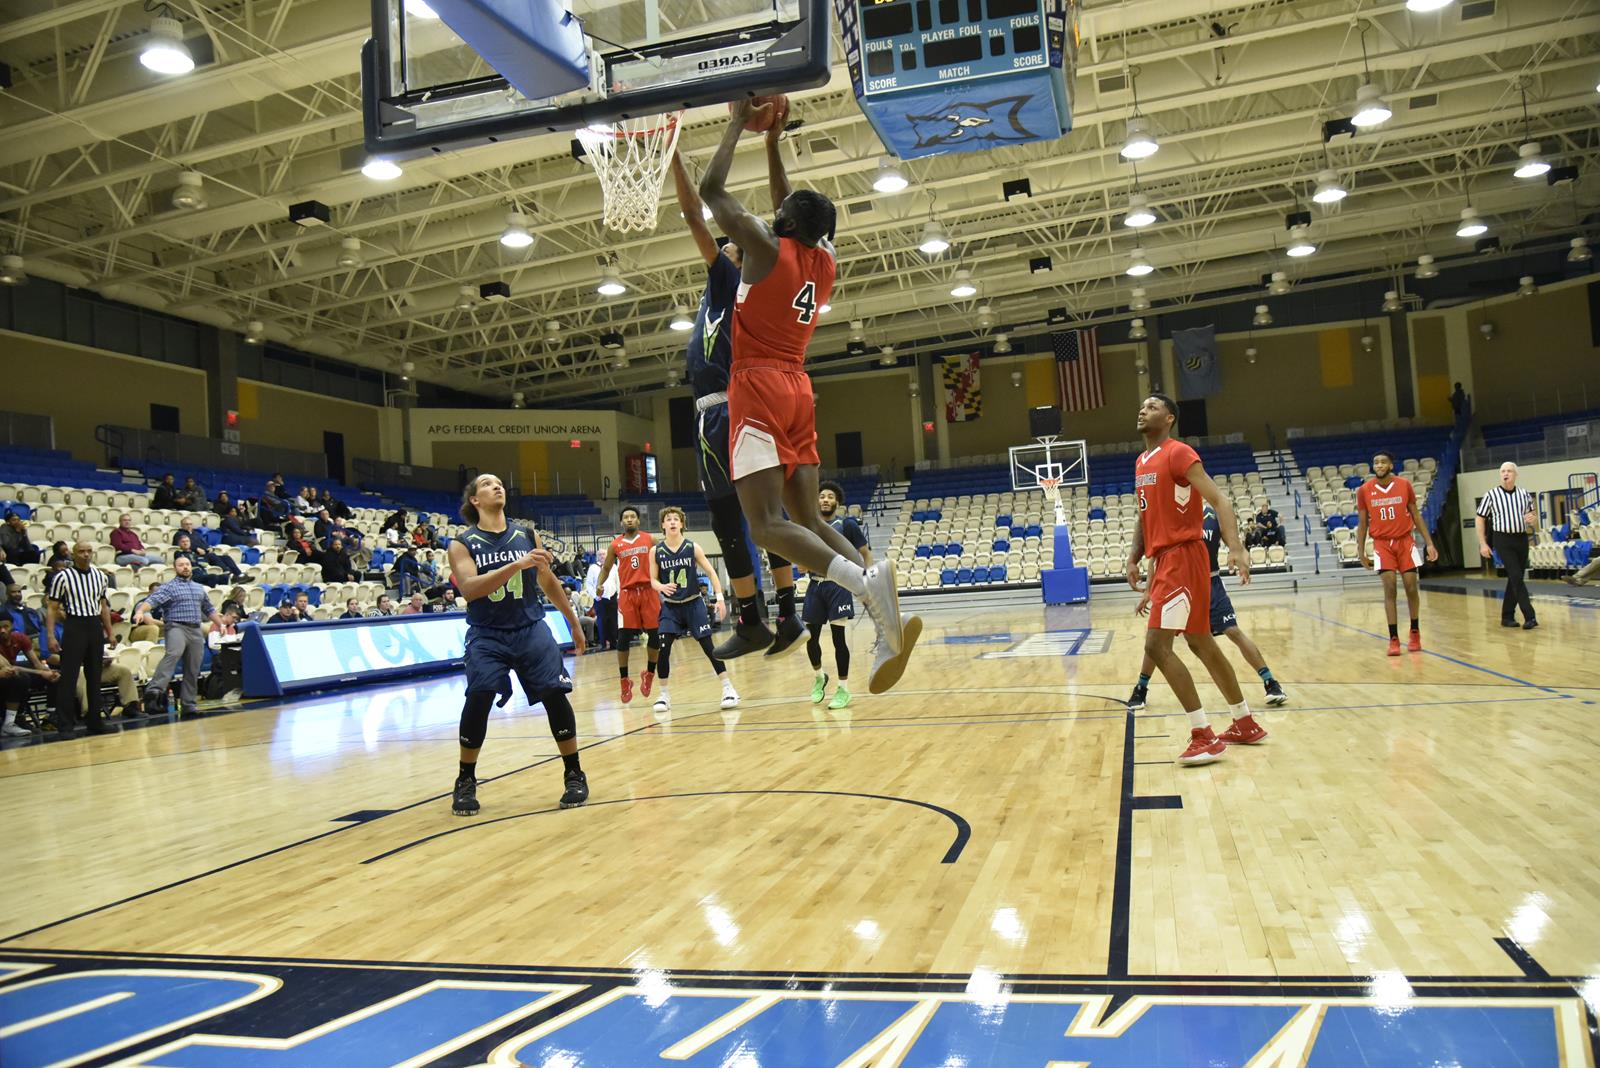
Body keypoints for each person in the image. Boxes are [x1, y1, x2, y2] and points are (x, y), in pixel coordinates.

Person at [699, 97, 916, 693]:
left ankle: (866, 583)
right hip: (798, 385)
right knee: (805, 519)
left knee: (767, 527)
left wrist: (738, 123)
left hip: (758, 385)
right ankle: (881, 606)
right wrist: (773, 144)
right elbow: (787, 210)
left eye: (780, 215)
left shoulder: (765, 248)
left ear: (786, 225)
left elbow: (711, 190)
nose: (773, 216)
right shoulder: (824, 259)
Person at [669, 133, 803, 660]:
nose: (722, 246)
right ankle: (784, 615)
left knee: (732, 514)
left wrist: (672, 152)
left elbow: (693, 215)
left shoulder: (729, 279)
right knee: (761, 514)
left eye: (731, 245)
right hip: (740, 404)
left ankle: (755, 621)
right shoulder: (732, 291)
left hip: (725, 409)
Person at [1126, 394, 1264, 765]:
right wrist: (1135, 556)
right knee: (1202, 643)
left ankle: (1203, 734)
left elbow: (1220, 500)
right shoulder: (1141, 462)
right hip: (1167, 560)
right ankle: (1243, 721)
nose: (1143, 410)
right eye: (1142, 406)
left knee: (1157, 646)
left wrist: (1236, 548)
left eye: (1152, 406)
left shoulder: (1179, 453)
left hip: (1184, 557)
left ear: (1169, 418)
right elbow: (1146, 518)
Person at [449, 473, 588, 816]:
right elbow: (469, 589)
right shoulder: (462, 543)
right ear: (475, 501)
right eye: (486, 484)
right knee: (479, 696)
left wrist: (572, 621)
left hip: (529, 627)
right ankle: (466, 779)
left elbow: (548, 580)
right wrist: (516, 564)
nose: (496, 486)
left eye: (499, 482)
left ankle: (574, 773)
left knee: (556, 695)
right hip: (487, 632)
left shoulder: (526, 534)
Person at [1128, 503, 1289, 711]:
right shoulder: (1173, 512)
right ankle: (1141, 688)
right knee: (1159, 638)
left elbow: (1232, 541)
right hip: (1177, 582)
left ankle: (1270, 682)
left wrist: (1237, 553)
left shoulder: (1212, 513)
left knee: (1233, 631)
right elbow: (1156, 558)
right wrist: (1149, 590)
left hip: (1210, 583)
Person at [648, 506, 739, 713]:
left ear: (682, 524)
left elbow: (711, 571)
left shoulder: (692, 547)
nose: (672, 522)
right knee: (663, 648)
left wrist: (720, 598)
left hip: (693, 603)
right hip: (671, 607)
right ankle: (663, 695)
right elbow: (652, 579)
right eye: (668, 519)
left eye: (676, 519)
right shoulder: (656, 551)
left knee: (708, 646)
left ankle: (728, 688)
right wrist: (661, 587)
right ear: (662, 525)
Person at [1356, 449, 1441, 654]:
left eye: (1383, 462)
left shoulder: (1404, 485)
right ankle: (1393, 638)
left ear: (1391, 465)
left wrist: (1429, 543)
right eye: (1375, 463)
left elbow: (1416, 515)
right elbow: (1362, 523)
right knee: (1390, 588)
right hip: (1382, 544)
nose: (1379, 466)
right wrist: (1361, 552)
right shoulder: (1364, 490)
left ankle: (1414, 631)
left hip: (1405, 541)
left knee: (1411, 587)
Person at [134, 554, 228, 718]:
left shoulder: (199, 588)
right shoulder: (169, 587)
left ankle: (189, 705)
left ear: (191, 567)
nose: (185, 567)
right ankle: (154, 690)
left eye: (187, 564)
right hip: (176, 626)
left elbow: (209, 609)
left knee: (193, 668)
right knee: (173, 654)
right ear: (175, 568)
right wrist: (141, 611)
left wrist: (220, 624)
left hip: (195, 629)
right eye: (181, 565)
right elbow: (153, 600)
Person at [804, 481, 871, 710]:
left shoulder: (847, 524)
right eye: (821, 496)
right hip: (814, 585)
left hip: (838, 586)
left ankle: (843, 689)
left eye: (830, 496)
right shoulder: (810, 527)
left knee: (838, 639)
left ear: (837, 502)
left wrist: (867, 578)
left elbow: (865, 553)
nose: (825, 499)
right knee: (809, 638)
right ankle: (819, 676)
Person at [45, 541, 117, 734]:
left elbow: (103, 607)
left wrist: (109, 632)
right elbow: (52, 608)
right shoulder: (63, 577)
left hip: (94, 625)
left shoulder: (100, 576)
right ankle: (66, 725)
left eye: (89, 551)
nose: (86, 555)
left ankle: (95, 722)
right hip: (74, 625)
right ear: (73, 554)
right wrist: (51, 636)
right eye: (81, 551)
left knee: (95, 676)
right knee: (69, 677)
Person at [596, 505, 659, 704]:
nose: (629, 519)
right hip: (627, 594)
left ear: (638, 521)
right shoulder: (615, 545)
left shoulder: (650, 539)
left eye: (633, 516)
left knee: (655, 635)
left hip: (649, 591)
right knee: (622, 638)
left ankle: (649, 673)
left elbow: (661, 562)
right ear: (621, 522)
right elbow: (606, 568)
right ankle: (624, 680)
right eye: (626, 517)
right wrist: (599, 584)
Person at [1475, 461, 1538, 630]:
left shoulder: (1524, 494)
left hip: (1521, 538)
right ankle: (1530, 616)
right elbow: (1480, 518)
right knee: (1516, 576)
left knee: (1515, 577)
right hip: (1502, 539)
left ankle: (1507, 616)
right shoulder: (1491, 495)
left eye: (1509, 471)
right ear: (1500, 474)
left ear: (1515, 474)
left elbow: (1531, 514)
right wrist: (1483, 543)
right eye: (1503, 471)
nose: (1506, 473)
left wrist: (1533, 517)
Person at [1, 615, 60, 736]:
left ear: (12, 626)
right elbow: (10, 668)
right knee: (21, 679)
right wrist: (41, 673)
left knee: (54, 676)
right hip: (6, 676)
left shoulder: (20, 638)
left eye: (5, 626)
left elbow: (37, 664)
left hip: (11, 675)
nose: (2, 630)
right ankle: (12, 722)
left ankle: (50, 717)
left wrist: (48, 672)